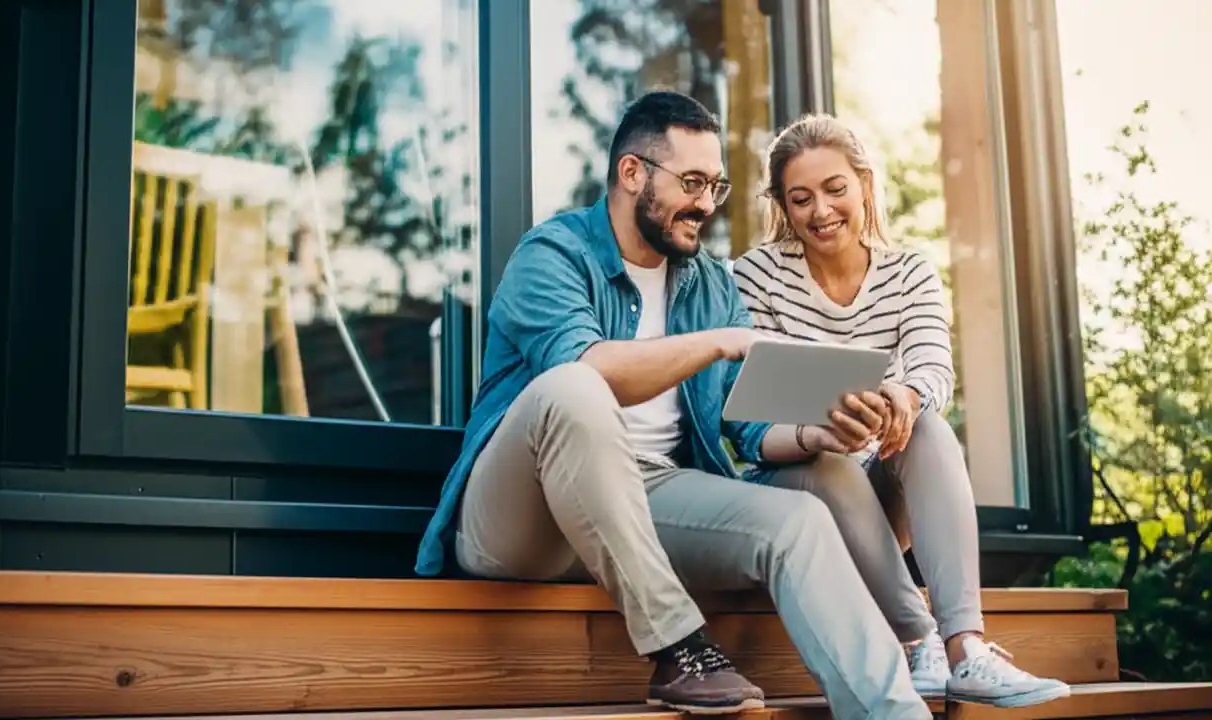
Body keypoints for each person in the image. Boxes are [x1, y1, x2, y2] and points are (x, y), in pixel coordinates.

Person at [416, 91, 933, 719]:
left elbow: (745, 428)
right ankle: (680, 646)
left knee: (797, 520)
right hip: (524, 519)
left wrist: (814, 437)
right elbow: (594, 370)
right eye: (691, 182)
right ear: (633, 173)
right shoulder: (551, 254)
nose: (706, 205)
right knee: (574, 387)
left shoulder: (711, 283)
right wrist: (720, 342)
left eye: (715, 186)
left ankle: (892, 712)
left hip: (650, 498)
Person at [731, 113, 1071, 709]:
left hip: (880, 495)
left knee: (931, 431)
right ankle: (919, 636)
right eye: (801, 198)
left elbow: (934, 371)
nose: (821, 211)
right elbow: (752, 415)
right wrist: (818, 431)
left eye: (836, 189)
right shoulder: (755, 275)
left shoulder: (909, 272)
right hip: (796, 484)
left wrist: (903, 399)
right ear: (783, 205)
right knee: (830, 459)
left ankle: (965, 648)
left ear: (865, 184)